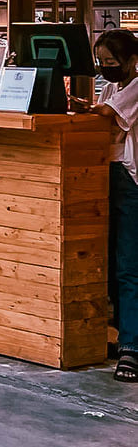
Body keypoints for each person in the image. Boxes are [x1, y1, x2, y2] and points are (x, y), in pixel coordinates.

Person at [94, 29, 138, 381]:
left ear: (132, 60)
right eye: (101, 62)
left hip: (130, 181)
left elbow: (107, 114)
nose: (105, 69)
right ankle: (116, 333)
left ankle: (131, 348)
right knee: (110, 264)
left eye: (111, 62)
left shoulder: (137, 85)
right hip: (107, 174)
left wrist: (93, 111)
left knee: (128, 265)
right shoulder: (111, 87)